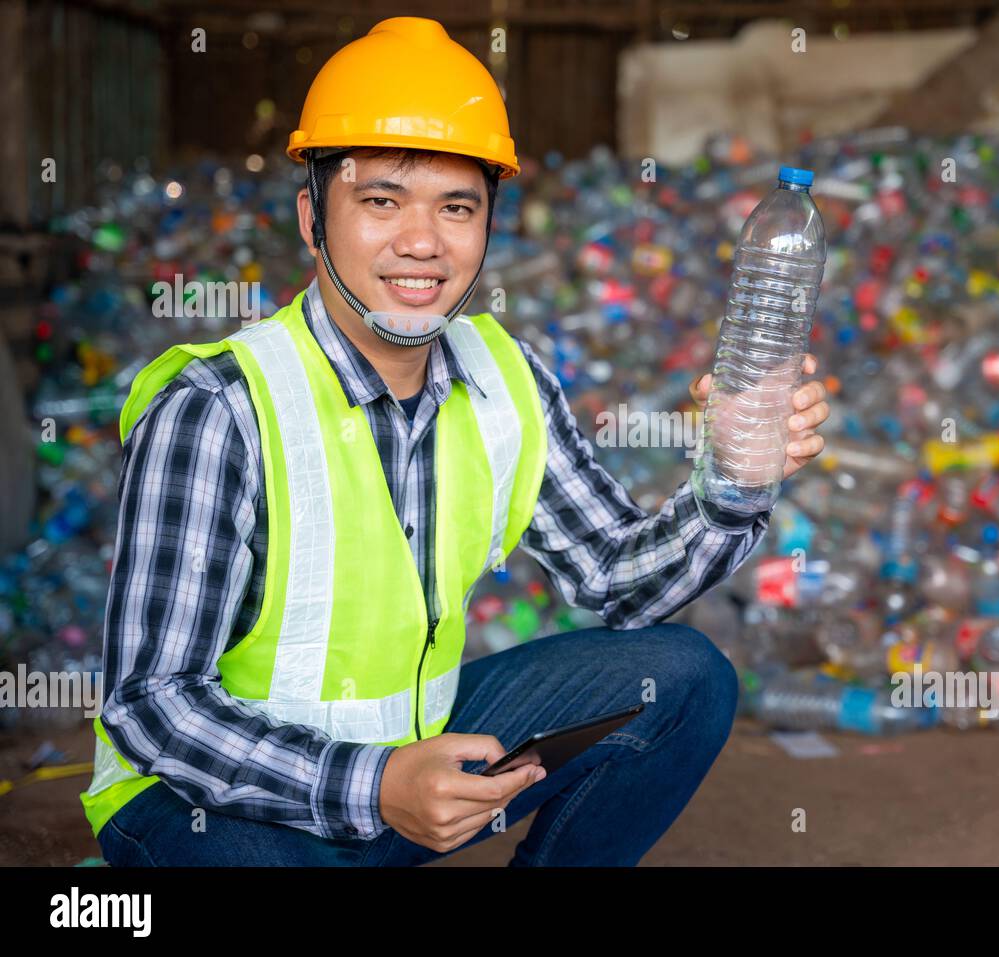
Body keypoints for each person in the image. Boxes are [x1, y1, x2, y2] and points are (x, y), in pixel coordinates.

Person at [81, 16, 831, 867]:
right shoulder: (221, 407)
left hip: (414, 768)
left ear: (486, 226)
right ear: (311, 218)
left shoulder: (505, 379)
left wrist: (733, 478)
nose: (422, 242)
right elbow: (151, 705)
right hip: (220, 806)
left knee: (686, 679)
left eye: (456, 206)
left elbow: (621, 579)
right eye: (380, 200)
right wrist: (371, 783)